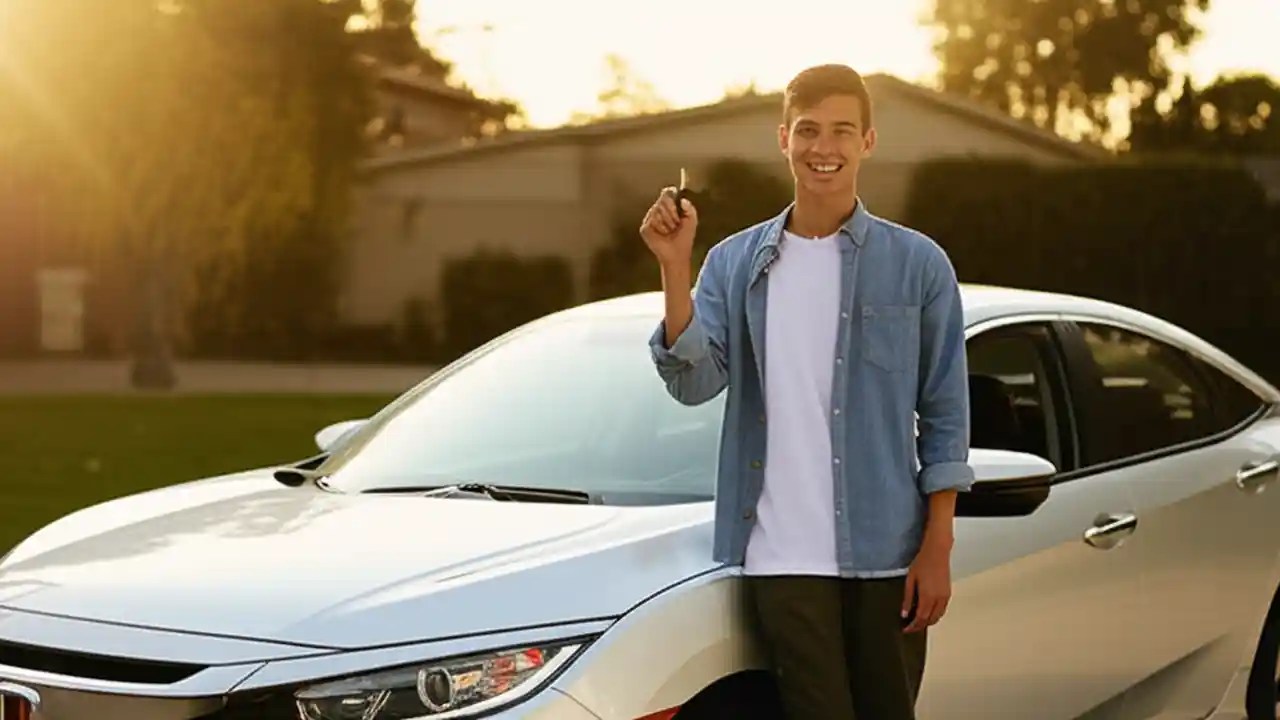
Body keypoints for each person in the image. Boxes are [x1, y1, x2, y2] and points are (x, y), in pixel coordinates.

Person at [641, 64, 973, 720]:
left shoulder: (918, 266)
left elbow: (945, 410)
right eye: (809, 130)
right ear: (783, 138)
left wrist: (938, 546)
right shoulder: (735, 262)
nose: (825, 147)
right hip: (780, 556)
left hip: (890, 554)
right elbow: (694, 382)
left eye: (842, 131)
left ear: (868, 142)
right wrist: (675, 267)